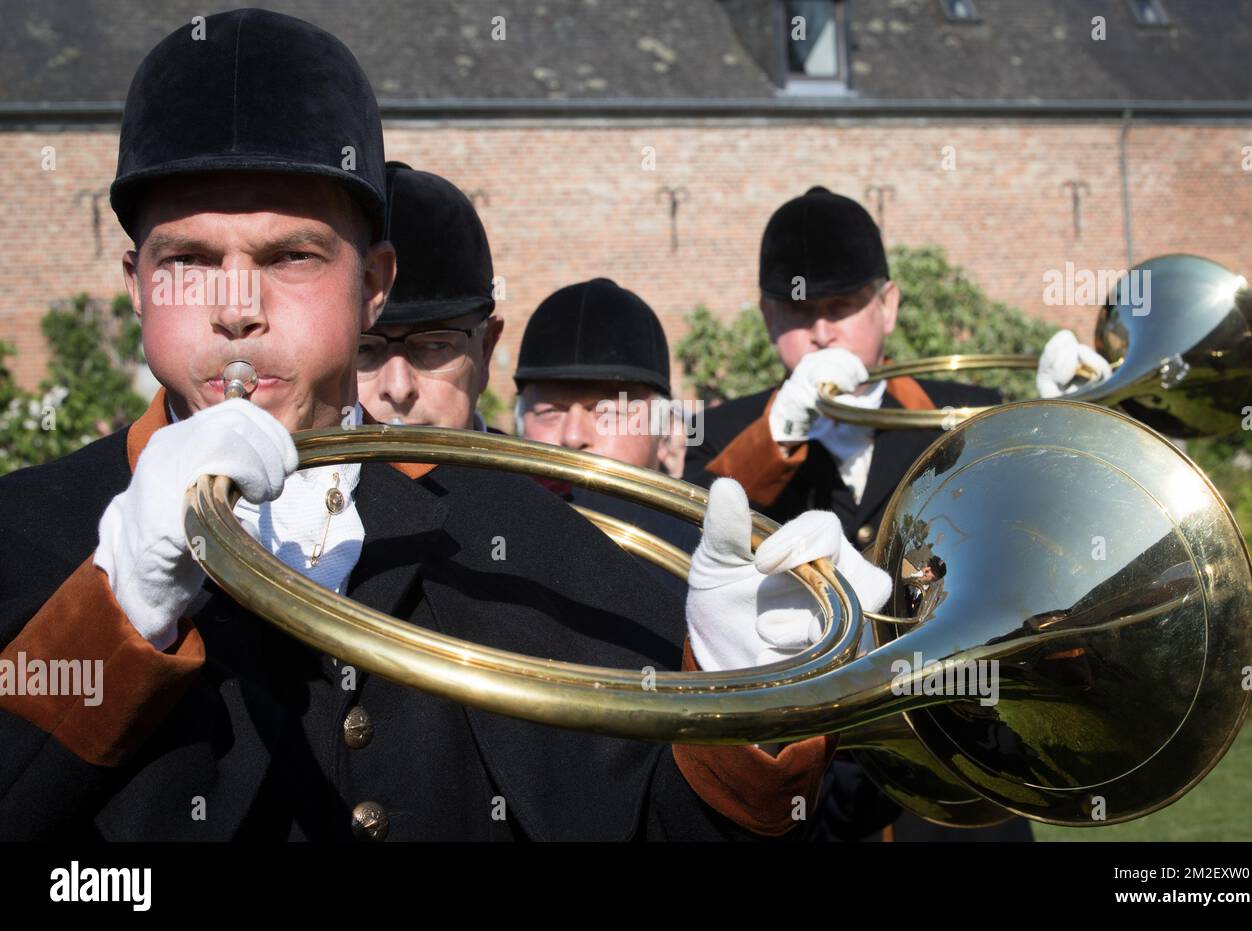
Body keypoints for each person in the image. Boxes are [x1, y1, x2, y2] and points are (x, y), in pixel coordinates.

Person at [0, 11, 890, 841]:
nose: (237, 311)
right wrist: (114, 617)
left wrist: (740, 708)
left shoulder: (520, 540)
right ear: (135, 282)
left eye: (291, 257)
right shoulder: (23, 533)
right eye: (188, 260)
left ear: (373, 284)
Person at [682, 185, 1030, 842]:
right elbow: (690, 544)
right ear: (765, 316)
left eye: (843, 306)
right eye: (797, 309)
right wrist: (775, 438)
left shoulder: (968, 413)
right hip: (801, 791)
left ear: (888, 305)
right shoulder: (724, 433)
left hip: (955, 787)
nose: (820, 331)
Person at [514, 278, 698, 579]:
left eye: (607, 411)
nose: (572, 437)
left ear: (665, 437)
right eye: (549, 411)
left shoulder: (712, 564)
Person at [357, 162, 503, 430]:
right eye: (362, 349)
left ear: (485, 350)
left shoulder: (532, 473)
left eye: (435, 345)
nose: (399, 389)